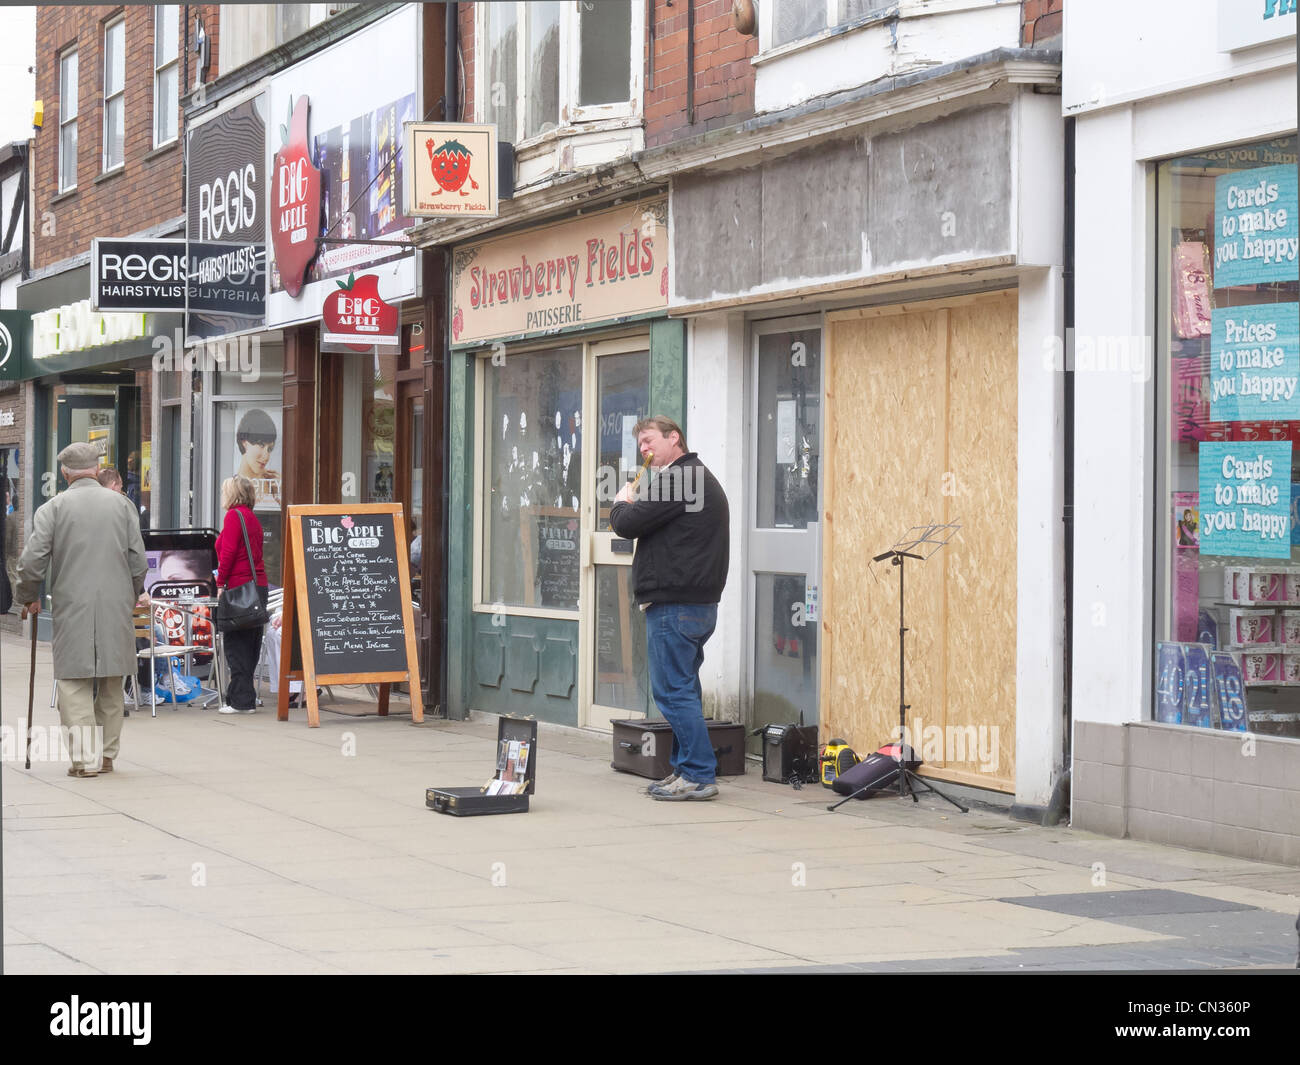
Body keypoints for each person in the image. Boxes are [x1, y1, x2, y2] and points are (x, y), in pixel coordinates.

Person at [609, 416, 730, 802]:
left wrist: (619, 504)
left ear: (673, 438)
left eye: (648, 441)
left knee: (673, 692)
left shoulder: (682, 478)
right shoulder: (689, 478)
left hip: (676, 605)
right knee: (684, 690)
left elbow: (628, 524)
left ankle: (697, 773)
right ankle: (685, 768)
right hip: (692, 604)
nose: (643, 450)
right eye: (640, 445)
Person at [14, 443, 147, 777]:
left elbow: (32, 562)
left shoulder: (52, 509)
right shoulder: (123, 505)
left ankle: (85, 759)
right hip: (115, 605)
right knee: (112, 681)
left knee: (74, 683)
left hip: (73, 605)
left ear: (65, 472)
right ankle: (105, 756)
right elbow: (138, 561)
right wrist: (131, 595)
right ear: (96, 466)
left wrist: (28, 595)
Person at [215, 475, 268, 714]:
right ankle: (245, 697)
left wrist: (220, 582)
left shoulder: (233, 516)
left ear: (233, 493)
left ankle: (240, 701)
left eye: (225, 491)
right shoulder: (252, 518)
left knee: (236, 645)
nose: (222, 495)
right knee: (251, 644)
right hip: (258, 586)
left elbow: (228, 554)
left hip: (239, 587)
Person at [235, 408, 281, 510]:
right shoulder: (233, 486)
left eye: (269, 449)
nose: (266, 456)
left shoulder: (272, 482)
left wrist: (280, 493)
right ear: (244, 442)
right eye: (261, 444)